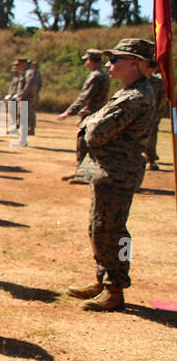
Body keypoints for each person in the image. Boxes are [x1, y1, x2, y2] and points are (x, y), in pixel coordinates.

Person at [66, 39, 155, 312]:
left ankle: (115, 287)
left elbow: (94, 132)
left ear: (134, 62)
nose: (109, 64)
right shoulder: (127, 92)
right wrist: (93, 121)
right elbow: (94, 125)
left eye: (115, 59)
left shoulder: (136, 97)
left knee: (113, 231)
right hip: (108, 169)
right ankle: (104, 279)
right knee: (99, 229)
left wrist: (91, 122)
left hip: (119, 171)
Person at [59, 48, 111, 182]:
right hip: (96, 113)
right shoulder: (102, 74)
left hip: (91, 114)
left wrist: (69, 112)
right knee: (88, 144)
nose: (85, 63)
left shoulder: (95, 76)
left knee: (84, 144)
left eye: (86, 60)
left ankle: (83, 175)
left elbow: (85, 97)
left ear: (90, 60)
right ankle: (82, 173)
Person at [143, 58, 169, 171]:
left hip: (153, 115)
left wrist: (156, 111)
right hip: (139, 115)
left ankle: (151, 160)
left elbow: (163, 99)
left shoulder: (158, 82)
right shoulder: (139, 80)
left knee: (151, 138)